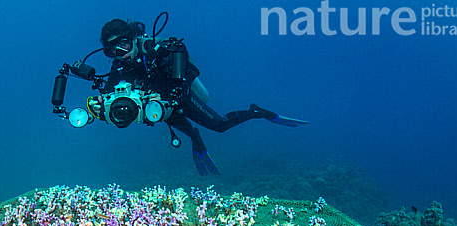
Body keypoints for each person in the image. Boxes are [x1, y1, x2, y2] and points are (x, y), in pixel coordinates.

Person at [90, 18, 307, 176]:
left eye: (124, 45)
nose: (120, 53)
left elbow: (190, 70)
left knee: (220, 125)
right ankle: (196, 140)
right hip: (161, 107)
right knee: (180, 125)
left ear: (133, 39)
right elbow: (112, 98)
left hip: (181, 96)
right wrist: (101, 104)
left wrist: (177, 94)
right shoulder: (119, 65)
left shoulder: (154, 49)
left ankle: (257, 111)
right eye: (112, 50)